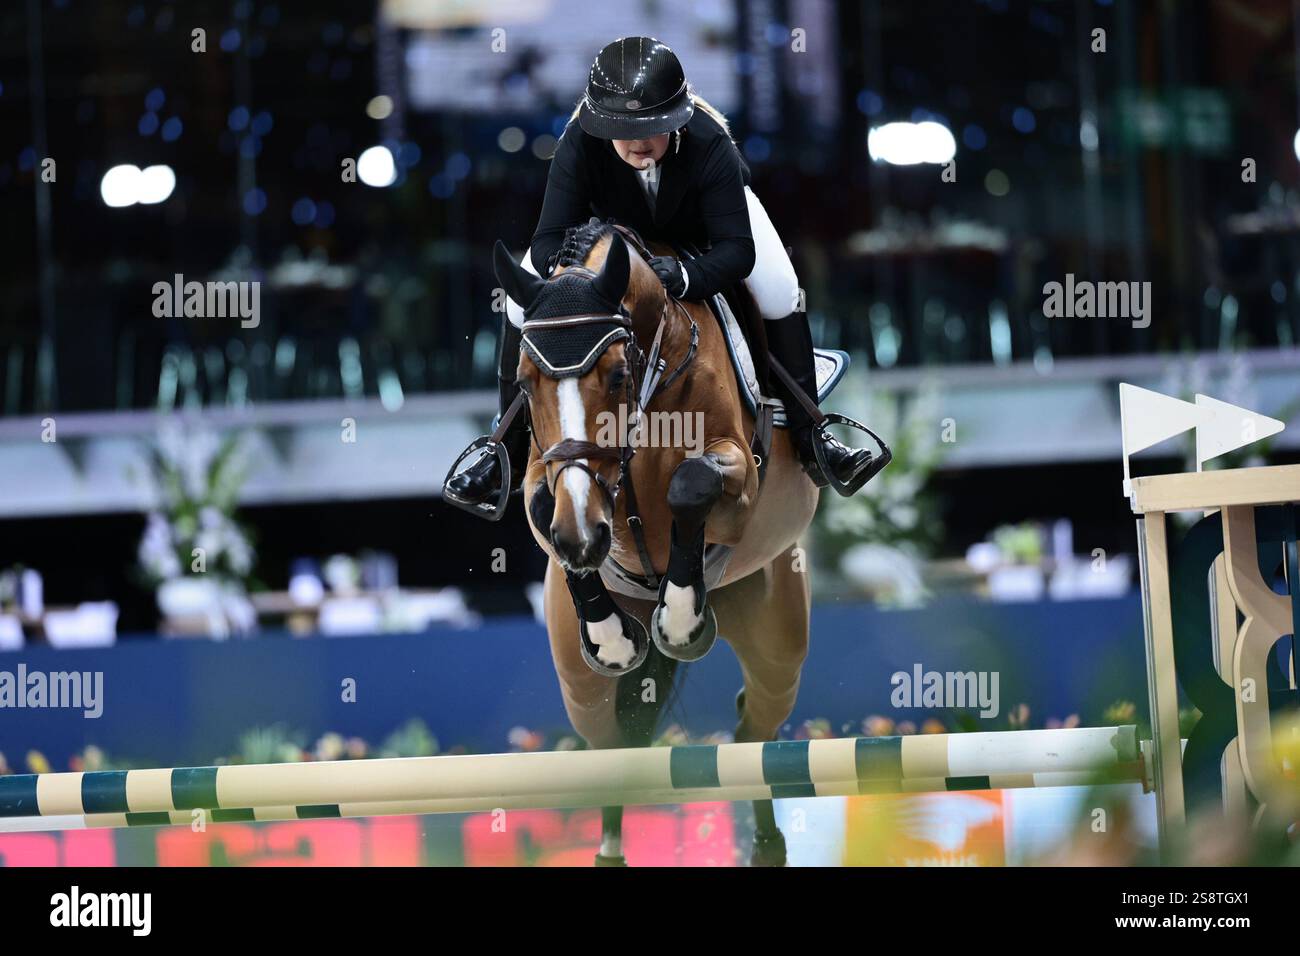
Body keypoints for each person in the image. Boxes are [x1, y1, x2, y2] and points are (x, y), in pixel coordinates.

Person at [446, 36, 875, 509]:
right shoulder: (579, 143)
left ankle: (814, 434)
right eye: (621, 128)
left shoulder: (710, 145)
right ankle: (503, 450)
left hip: (706, 233)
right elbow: (549, 237)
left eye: (651, 127)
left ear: (677, 119)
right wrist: (566, 276)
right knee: (516, 301)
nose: (637, 142)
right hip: (610, 243)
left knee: (778, 288)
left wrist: (688, 276)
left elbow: (736, 251)